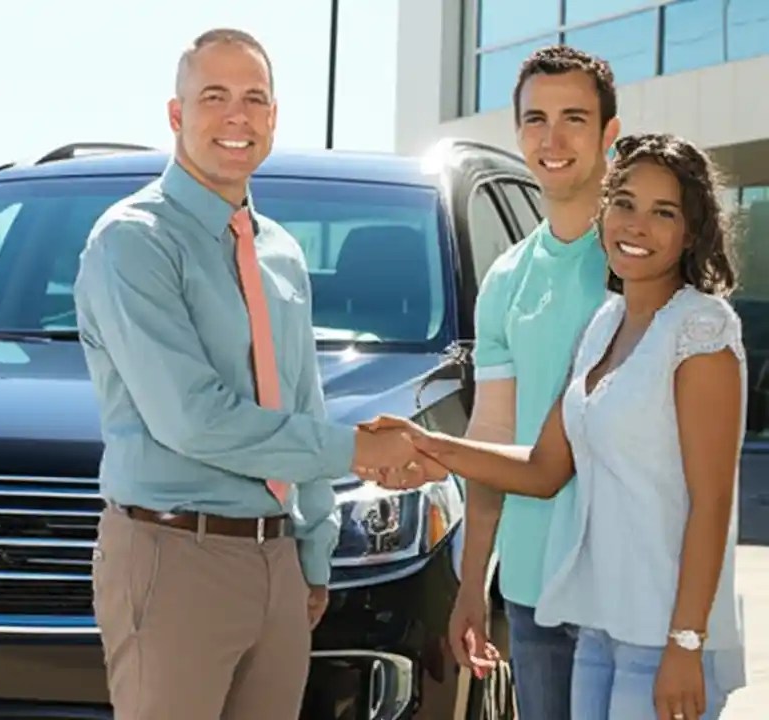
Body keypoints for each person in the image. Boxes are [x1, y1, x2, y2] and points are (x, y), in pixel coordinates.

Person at [72, 27, 422, 720]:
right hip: (173, 555)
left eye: (254, 98)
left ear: (273, 118)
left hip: (277, 564)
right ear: (177, 116)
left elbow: (302, 400)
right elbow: (194, 419)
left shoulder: (282, 254)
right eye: (215, 96)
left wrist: (312, 554)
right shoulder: (133, 242)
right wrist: (360, 451)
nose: (238, 116)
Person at [366, 132, 747, 720]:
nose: (637, 225)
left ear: (691, 231)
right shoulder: (604, 325)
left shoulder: (701, 331)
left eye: (663, 212)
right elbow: (545, 469)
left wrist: (685, 644)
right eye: (624, 204)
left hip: (662, 634)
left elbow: (712, 502)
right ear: (604, 213)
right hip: (597, 624)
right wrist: (429, 445)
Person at [450, 44, 622, 718]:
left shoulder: (646, 255)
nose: (552, 139)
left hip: (630, 590)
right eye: (534, 120)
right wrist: (472, 584)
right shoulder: (506, 280)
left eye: (573, 118)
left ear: (610, 133)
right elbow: (491, 433)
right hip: (532, 590)